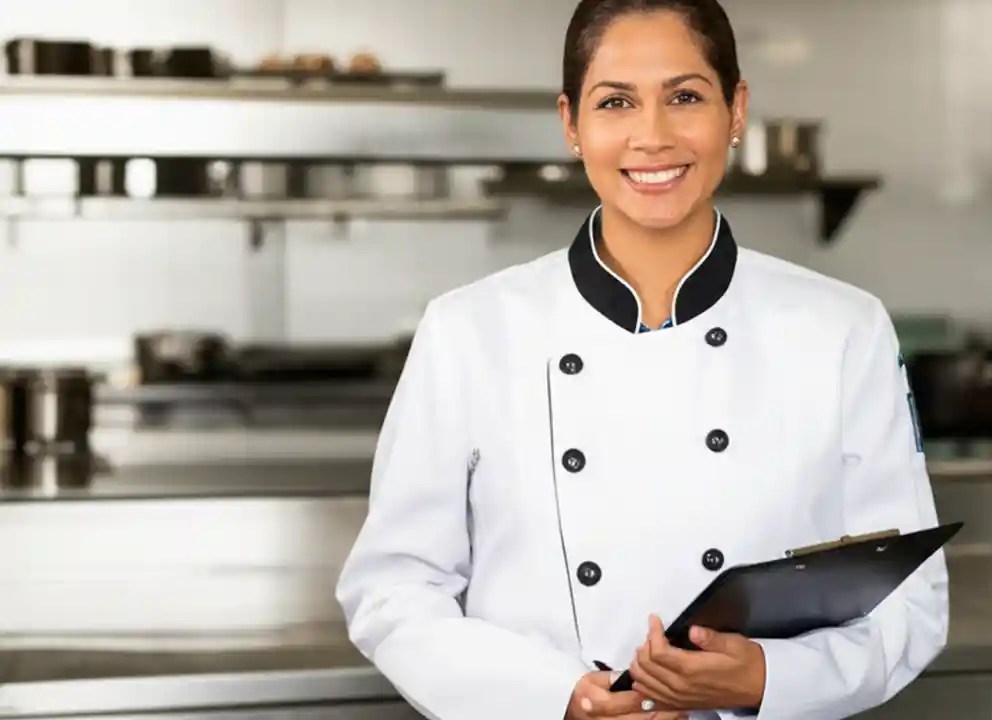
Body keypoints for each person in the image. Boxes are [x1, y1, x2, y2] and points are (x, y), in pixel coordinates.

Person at [334, 0, 950, 718]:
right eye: (615, 102)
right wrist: (557, 698)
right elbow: (393, 590)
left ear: (736, 109)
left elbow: (910, 598)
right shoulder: (469, 330)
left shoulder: (842, 329)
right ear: (571, 124)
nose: (652, 137)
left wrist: (764, 677)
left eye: (685, 97)